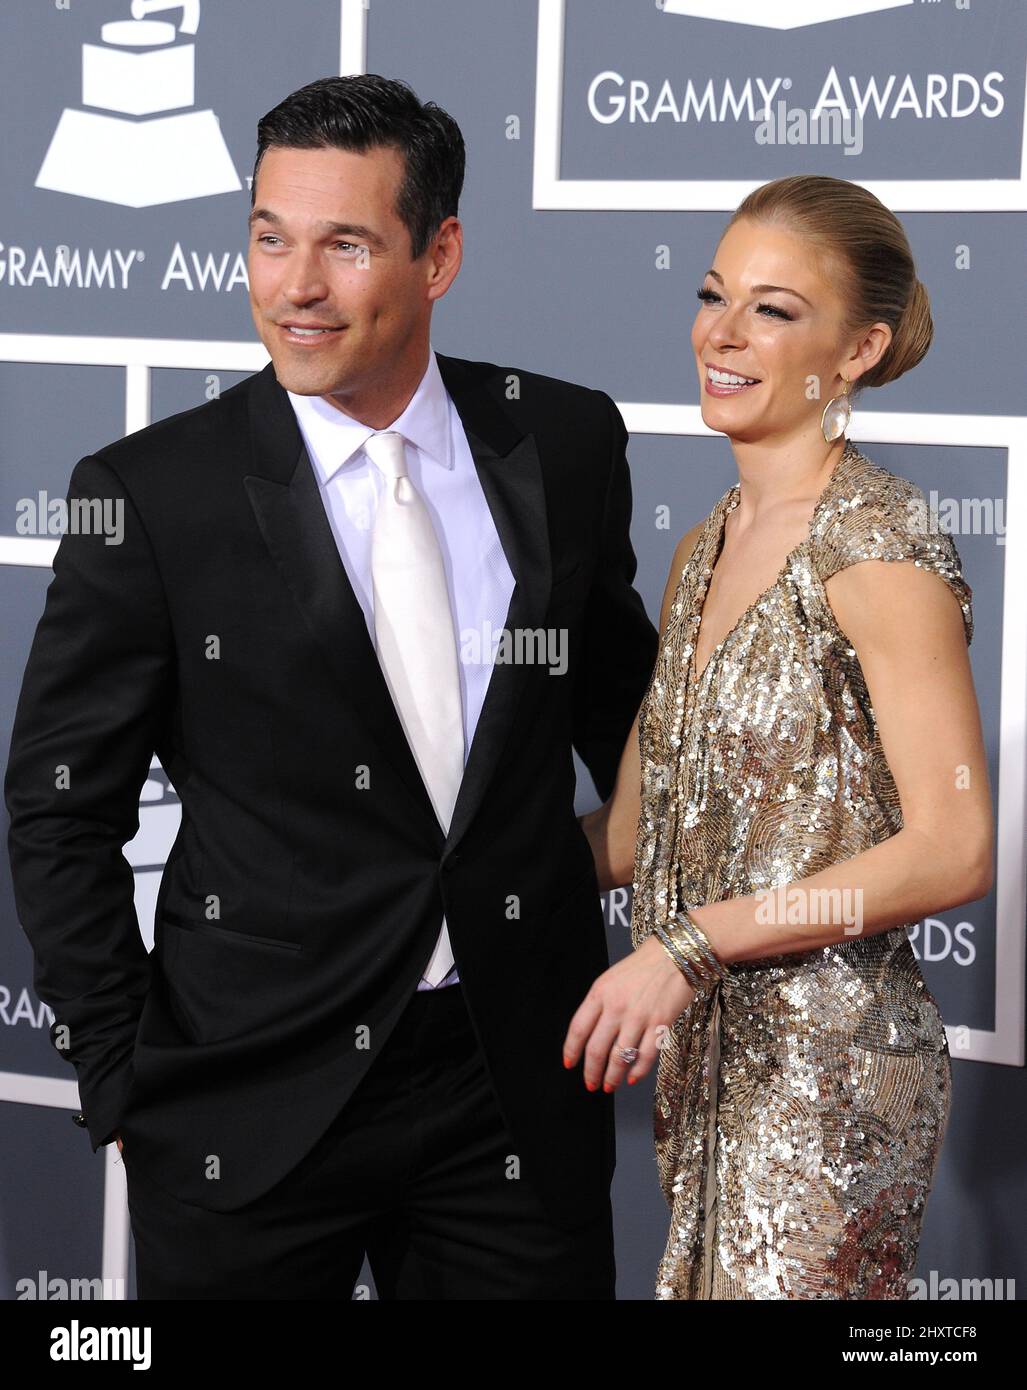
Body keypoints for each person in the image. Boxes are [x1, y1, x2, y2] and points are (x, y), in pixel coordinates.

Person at [4, 74, 659, 1299]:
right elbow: (58, 805)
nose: (293, 287)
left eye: (345, 245)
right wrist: (122, 1078)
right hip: (247, 1098)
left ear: (439, 253)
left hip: (507, 1088)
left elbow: (631, 712)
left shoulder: (563, 443)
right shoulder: (153, 494)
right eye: (269, 238)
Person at [566, 174, 994, 1299]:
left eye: (773, 308)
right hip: (705, 1067)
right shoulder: (699, 547)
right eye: (715, 294)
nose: (721, 331)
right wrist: (424, 879)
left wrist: (690, 944)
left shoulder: (878, 545)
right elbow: (634, 829)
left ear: (856, 349)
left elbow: (955, 846)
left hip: (833, 1083)